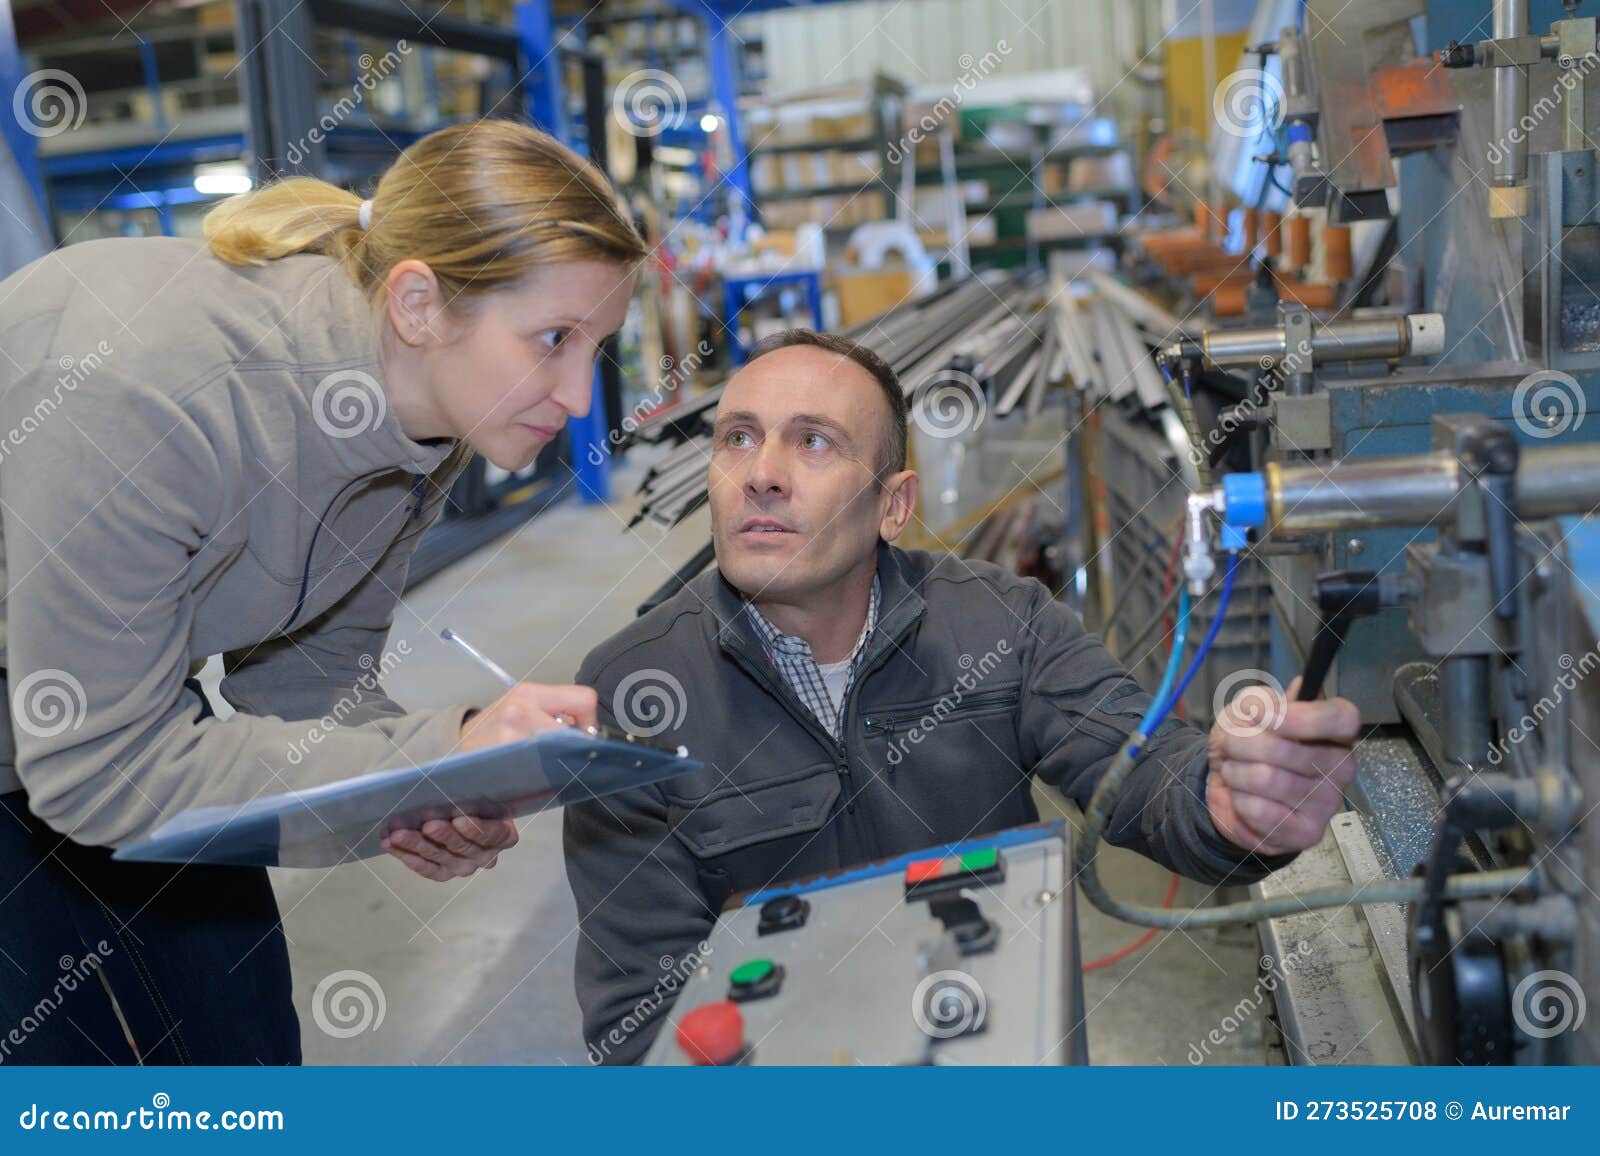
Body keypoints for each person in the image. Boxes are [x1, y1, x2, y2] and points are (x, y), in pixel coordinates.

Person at [0, 118, 645, 1064]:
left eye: (596, 345)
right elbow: (99, 770)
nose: (580, 397)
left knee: (247, 1055)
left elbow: (312, 683)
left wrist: (441, 784)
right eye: (552, 339)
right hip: (82, 736)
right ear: (419, 303)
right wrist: (422, 764)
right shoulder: (152, 396)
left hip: (111, 709)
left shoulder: (418, 422)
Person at [564, 328, 1361, 1064]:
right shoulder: (635, 690)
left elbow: (1141, 766)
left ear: (893, 505)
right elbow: (639, 1018)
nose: (761, 473)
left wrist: (1226, 800)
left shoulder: (1001, 624)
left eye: (813, 442)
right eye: (737, 438)